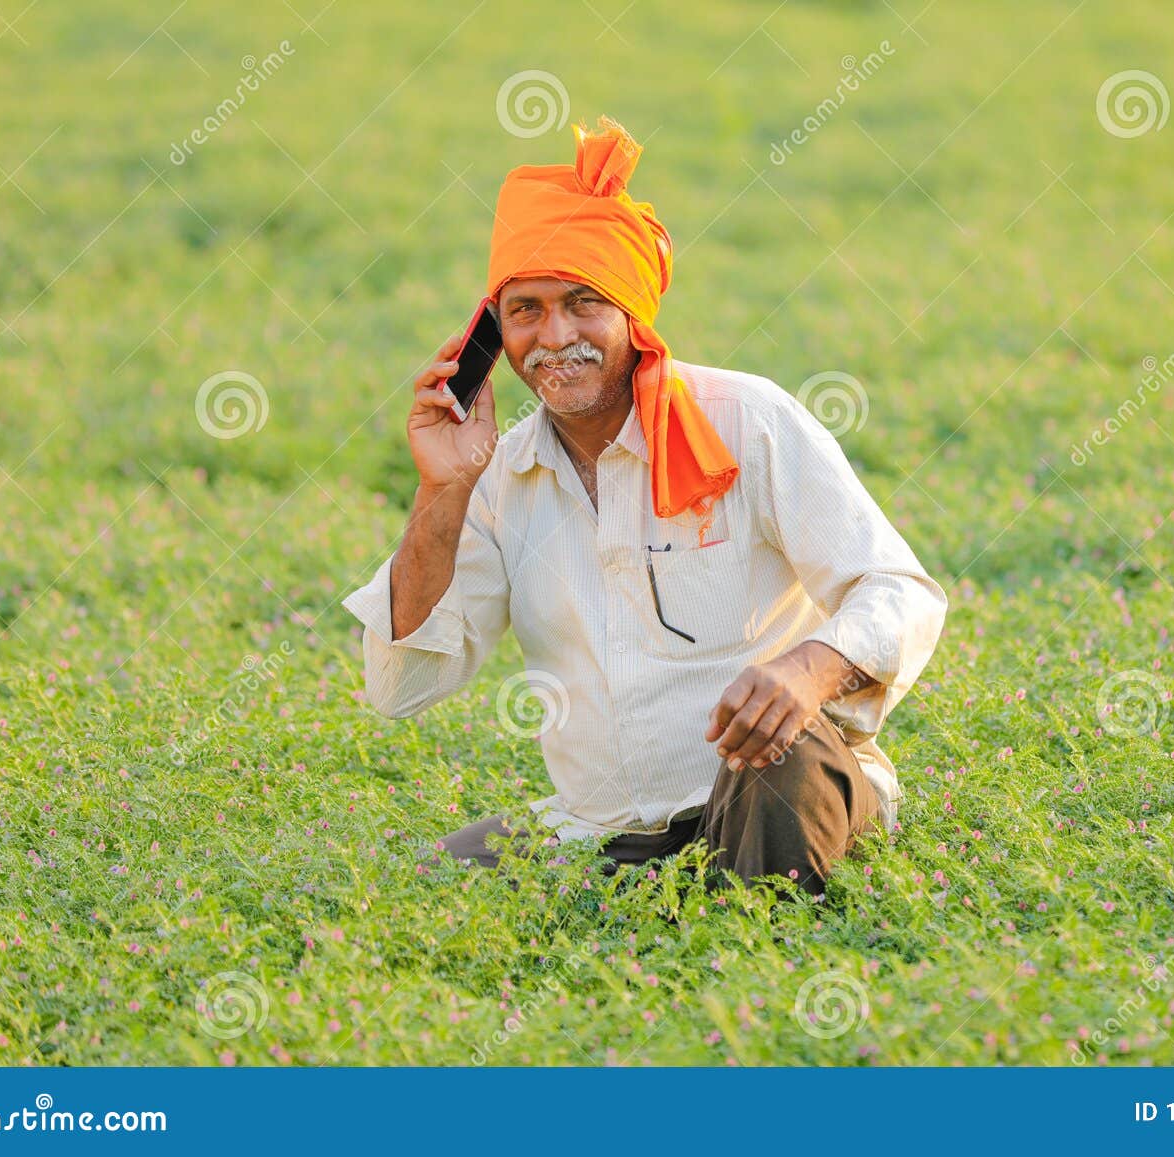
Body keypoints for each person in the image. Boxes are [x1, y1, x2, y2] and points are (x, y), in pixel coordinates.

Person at [342, 116, 946, 897]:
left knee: (781, 765)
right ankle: (675, 901)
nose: (554, 336)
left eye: (584, 302)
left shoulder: (747, 419)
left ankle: (751, 936)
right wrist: (442, 488)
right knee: (432, 885)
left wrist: (807, 669)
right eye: (524, 310)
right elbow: (401, 689)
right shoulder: (496, 478)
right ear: (493, 335)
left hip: (764, 789)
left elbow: (901, 594)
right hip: (601, 825)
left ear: (634, 311)